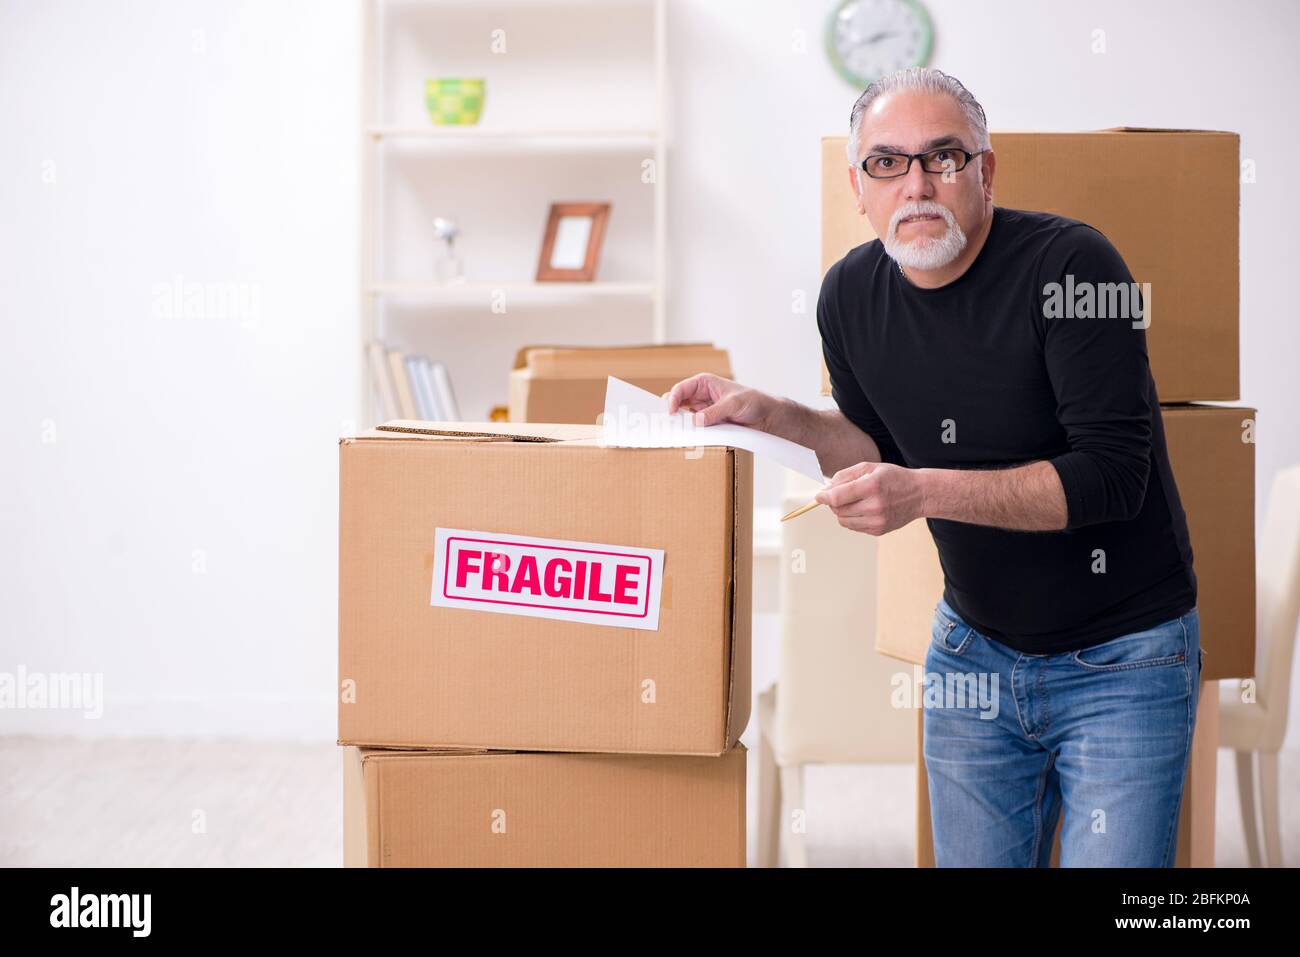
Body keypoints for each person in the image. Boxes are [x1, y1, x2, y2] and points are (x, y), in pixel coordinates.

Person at [665, 66, 1201, 867]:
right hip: (974, 650)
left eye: (942, 158)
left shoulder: (1075, 268)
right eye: (888, 163)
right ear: (858, 185)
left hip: (1122, 658)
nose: (916, 184)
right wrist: (769, 413)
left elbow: (1111, 479)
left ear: (984, 170)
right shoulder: (848, 294)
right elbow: (876, 441)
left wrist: (919, 492)